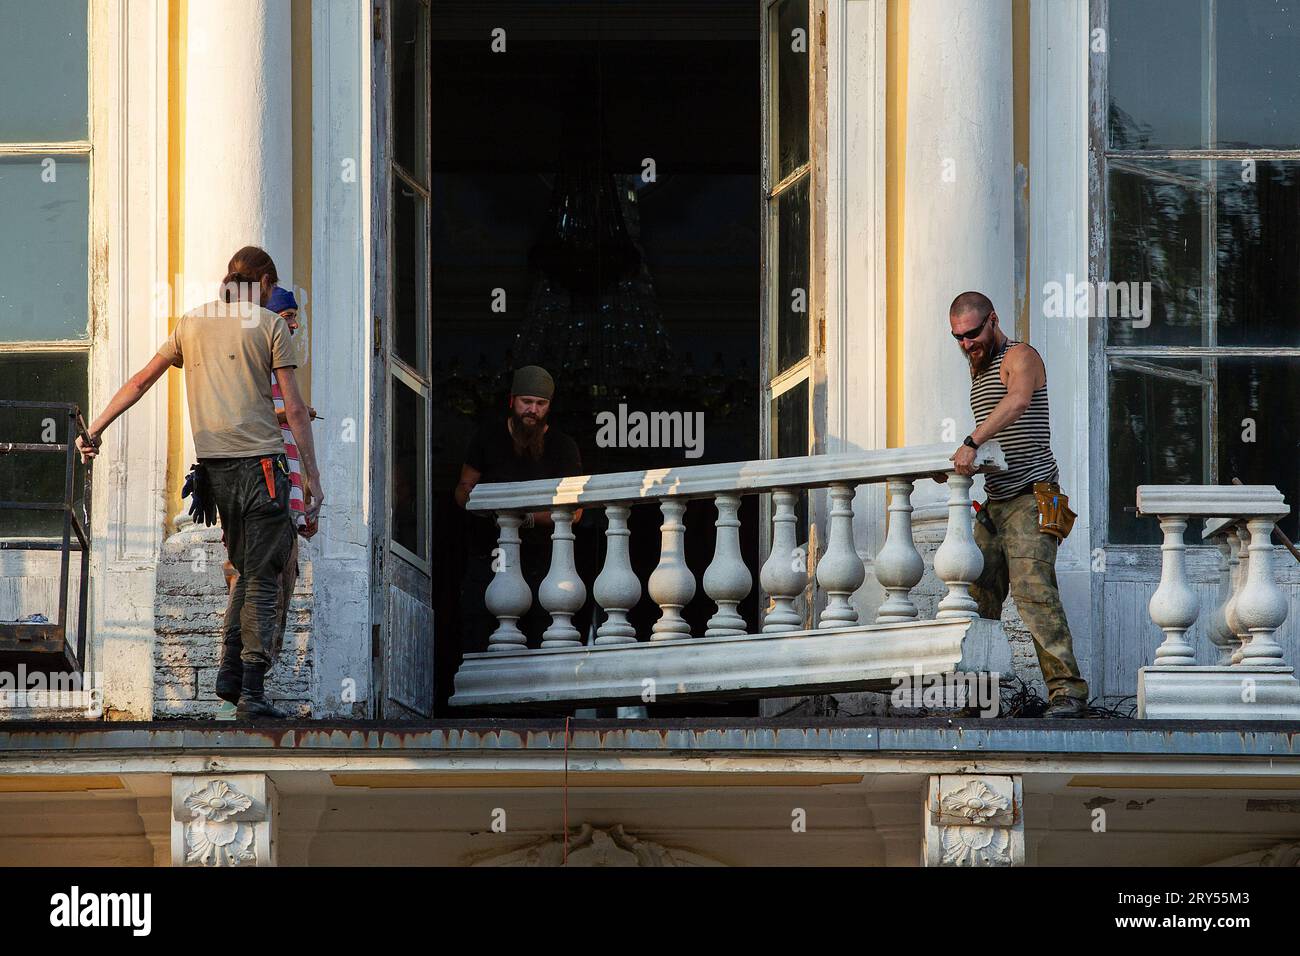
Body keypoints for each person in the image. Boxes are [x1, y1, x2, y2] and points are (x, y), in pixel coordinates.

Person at [77, 246, 323, 719]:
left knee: (245, 572)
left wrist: (95, 430)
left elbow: (140, 381)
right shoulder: (270, 326)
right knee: (264, 578)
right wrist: (313, 478)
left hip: (214, 474)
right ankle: (252, 690)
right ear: (267, 284)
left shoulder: (190, 323)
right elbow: (293, 410)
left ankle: (229, 676)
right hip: (263, 469)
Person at [946, 290, 1090, 718]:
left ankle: (1068, 693)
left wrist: (972, 441)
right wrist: (962, 464)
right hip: (995, 504)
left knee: (1034, 593)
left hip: (1031, 497)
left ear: (993, 319)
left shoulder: (1020, 356)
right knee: (977, 596)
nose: (966, 344)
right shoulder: (978, 369)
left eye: (972, 333)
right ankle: (978, 698)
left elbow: (1019, 401)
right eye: (957, 337)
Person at [217, 285, 319, 713]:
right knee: (255, 587)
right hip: (259, 498)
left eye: (295, 316)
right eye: (287, 315)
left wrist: (306, 499)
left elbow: (292, 450)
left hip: (284, 504)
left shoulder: (283, 371)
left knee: (277, 592)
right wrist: (292, 414)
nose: (294, 323)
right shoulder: (252, 368)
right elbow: (238, 417)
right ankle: (241, 688)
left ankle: (244, 686)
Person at [454, 366, 583, 654]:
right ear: (512, 401)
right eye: (527, 402)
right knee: (481, 627)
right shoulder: (487, 437)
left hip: (542, 559)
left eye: (541, 404)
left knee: (540, 632)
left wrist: (525, 519)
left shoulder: (563, 447)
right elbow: (463, 489)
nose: (533, 410)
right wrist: (482, 504)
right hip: (490, 554)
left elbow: (575, 512)